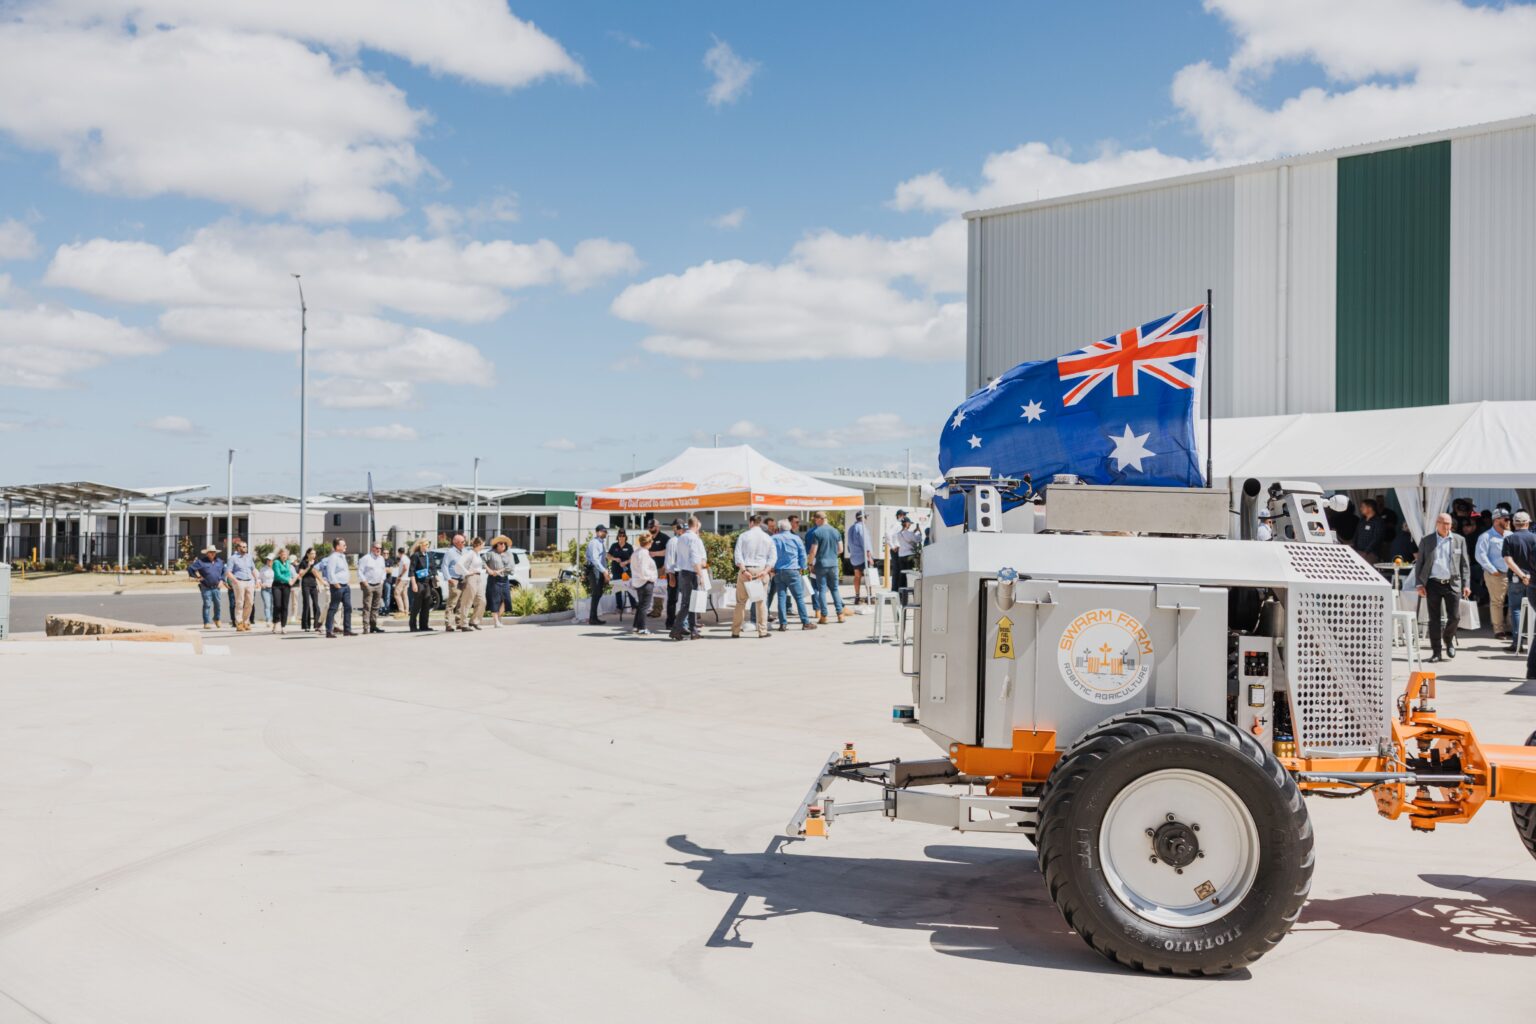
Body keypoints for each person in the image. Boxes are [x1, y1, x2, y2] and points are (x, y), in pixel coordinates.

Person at [1415, 512, 1470, 662]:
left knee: (1455, 617)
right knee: (1434, 620)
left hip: (1452, 583)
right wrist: (1419, 583)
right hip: (1433, 583)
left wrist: (1466, 584)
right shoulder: (1427, 541)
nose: (1447, 527)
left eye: (1449, 524)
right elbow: (1419, 563)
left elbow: (1464, 565)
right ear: (1437, 524)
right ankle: (1436, 652)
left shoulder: (1459, 540)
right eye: (1444, 523)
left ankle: (1448, 638)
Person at [731, 514, 776, 639]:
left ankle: (735, 631)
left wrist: (744, 571)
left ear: (750, 522)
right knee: (761, 603)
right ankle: (762, 631)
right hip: (761, 570)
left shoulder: (743, 536)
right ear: (760, 523)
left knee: (740, 602)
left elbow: (738, 555)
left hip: (746, 570)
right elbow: (773, 557)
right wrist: (766, 571)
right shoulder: (767, 537)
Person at [771, 517, 814, 631]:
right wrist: (804, 571)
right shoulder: (796, 538)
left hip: (778, 571)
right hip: (793, 571)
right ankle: (805, 622)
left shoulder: (773, 538)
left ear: (779, 528)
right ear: (789, 527)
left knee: (781, 597)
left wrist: (771, 568)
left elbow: (769, 554)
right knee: (799, 598)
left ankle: (783, 624)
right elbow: (803, 556)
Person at [669, 516, 708, 641]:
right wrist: (700, 575)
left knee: (691, 603)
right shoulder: (694, 539)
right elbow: (694, 559)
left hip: (682, 572)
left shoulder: (681, 538)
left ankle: (693, 630)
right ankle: (675, 630)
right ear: (696, 525)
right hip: (692, 573)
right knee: (688, 604)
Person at [804, 511, 846, 624]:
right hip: (833, 564)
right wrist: (832, 555)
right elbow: (841, 549)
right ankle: (840, 614)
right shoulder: (836, 531)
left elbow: (813, 551)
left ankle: (824, 616)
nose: (815, 522)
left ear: (819, 519)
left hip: (821, 564)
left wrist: (810, 563)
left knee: (822, 590)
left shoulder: (817, 532)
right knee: (835, 589)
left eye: (815, 520)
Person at [1477, 510, 1512, 641]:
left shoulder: (1510, 535)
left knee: (1514, 601)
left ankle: (1510, 628)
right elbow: (1480, 556)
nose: (1509, 521)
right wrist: (1492, 570)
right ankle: (1499, 630)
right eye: (1506, 519)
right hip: (1496, 574)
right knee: (1497, 602)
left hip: (1511, 573)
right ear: (1496, 520)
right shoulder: (1486, 536)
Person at [1504, 511, 1536, 651]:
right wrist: (1528, 576)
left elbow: (1508, 560)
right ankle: (1532, 642)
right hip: (1533, 580)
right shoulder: (1534, 538)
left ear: (1514, 523)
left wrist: (1522, 575)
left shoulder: (1509, 539)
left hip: (1516, 579)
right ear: (1527, 523)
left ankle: (1517, 643)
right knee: (1533, 610)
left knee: (1516, 609)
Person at [320, 537, 355, 638]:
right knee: (333, 608)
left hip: (345, 585)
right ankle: (329, 631)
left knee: (348, 607)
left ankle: (347, 630)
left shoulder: (342, 556)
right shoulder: (333, 557)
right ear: (337, 546)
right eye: (343, 545)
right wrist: (337, 585)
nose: (345, 546)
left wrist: (346, 583)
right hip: (337, 586)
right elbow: (331, 573)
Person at [628, 527, 659, 634]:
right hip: (645, 582)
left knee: (641, 605)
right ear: (649, 543)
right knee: (644, 607)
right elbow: (644, 571)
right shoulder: (644, 553)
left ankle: (636, 626)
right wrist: (652, 578)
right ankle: (642, 628)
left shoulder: (636, 553)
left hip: (638, 582)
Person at [187, 544, 226, 629]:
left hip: (216, 587)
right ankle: (206, 622)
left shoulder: (220, 561)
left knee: (218, 604)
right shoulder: (201, 562)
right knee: (207, 604)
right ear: (207, 553)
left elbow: (224, 571)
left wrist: (222, 580)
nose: (213, 554)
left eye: (214, 552)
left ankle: (217, 619)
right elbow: (190, 568)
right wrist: (197, 577)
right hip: (206, 587)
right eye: (211, 552)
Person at [225, 538, 257, 632]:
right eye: (243, 547)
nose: (245, 548)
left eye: (246, 546)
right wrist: (235, 581)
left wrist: (257, 580)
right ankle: (239, 623)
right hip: (239, 581)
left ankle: (245, 621)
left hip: (250, 581)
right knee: (239, 603)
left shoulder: (249, 557)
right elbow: (228, 572)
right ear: (238, 548)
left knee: (250, 602)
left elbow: (253, 569)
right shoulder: (232, 558)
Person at [357, 540, 387, 634]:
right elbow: (360, 571)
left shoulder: (381, 558)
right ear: (372, 548)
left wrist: (382, 581)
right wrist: (365, 583)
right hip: (368, 585)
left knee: (376, 607)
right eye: (377, 548)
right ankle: (365, 628)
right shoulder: (366, 558)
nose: (378, 550)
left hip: (378, 585)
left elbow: (383, 571)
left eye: (380, 548)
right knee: (367, 607)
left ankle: (373, 626)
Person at [456, 537, 486, 631]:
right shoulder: (470, 553)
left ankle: (474, 621)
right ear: (478, 544)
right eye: (483, 545)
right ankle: (463, 624)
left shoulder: (478, 554)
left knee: (482, 601)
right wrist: (467, 572)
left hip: (478, 578)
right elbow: (459, 564)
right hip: (471, 578)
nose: (483, 546)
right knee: (467, 601)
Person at [484, 536, 514, 628]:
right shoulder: (490, 553)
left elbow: (510, 567)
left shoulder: (509, 554)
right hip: (493, 580)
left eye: (505, 543)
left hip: (504, 579)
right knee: (495, 600)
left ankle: (498, 618)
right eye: (501, 543)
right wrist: (489, 570)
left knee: (506, 600)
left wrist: (498, 571)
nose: (503, 545)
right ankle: (496, 621)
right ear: (496, 545)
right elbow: (481, 561)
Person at [585, 525, 611, 626]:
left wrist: (606, 571)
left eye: (606, 531)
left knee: (598, 593)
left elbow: (603, 559)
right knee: (596, 594)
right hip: (594, 570)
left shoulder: (601, 543)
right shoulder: (594, 543)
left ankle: (594, 617)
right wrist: (604, 571)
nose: (606, 533)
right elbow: (595, 560)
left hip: (599, 570)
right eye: (604, 531)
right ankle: (592, 618)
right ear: (598, 532)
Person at [442, 532, 468, 632]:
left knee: (461, 603)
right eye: (462, 541)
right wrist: (449, 578)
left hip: (463, 580)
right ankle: (448, 624)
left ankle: (459, 623)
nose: (464, 543)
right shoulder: (450, 552)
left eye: (464, 541)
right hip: (454, 580)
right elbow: (444, 566)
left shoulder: (465, 551)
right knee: (452, 603)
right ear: (456, 542)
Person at [847, 511, 874, 605]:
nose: (866, 519)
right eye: (866, 517)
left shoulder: (851, 528)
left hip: (854, 556)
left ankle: (857, 597)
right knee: (868, 577)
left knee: (857, 576)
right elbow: (865, 542)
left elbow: (848, 544)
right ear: (863, 518)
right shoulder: (862, 527)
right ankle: (869, 597)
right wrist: (869, 556)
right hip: (863, 557)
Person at [663, 520, 686, 630]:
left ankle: (682, 621)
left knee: (684, 599)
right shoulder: (673, 541)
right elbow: (669, 560)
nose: (682, 530)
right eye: (679, 528)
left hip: (683, 572)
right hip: (674, 573)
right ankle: (670, 622)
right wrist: (671, 575)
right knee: (673, 599)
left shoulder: (685, 540)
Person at [408, 539, 434, 632]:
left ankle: (424, 625)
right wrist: (414, 584)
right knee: (416, 605)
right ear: (421, 545)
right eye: (426, 544)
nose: (427, 546)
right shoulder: (415, 556)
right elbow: (411, 571)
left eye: (428, 544)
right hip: (419, 583)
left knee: (426, 605)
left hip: (427, 583)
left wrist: (435, 577)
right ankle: (413, 626)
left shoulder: (429, 555)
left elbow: (432, 568)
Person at [608, 529, 634, 615]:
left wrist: (625, 562)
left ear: (625, 537)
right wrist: (615, 558)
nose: (621, 537)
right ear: (617, 536)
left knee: (630, 588)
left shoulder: (629, 546)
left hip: (627, 571)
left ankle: (634, 607)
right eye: (620, 536)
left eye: (623, 536)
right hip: (616, 571)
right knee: (618, 589)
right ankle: (619, 607)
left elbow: (633, 558)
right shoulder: (614, 545)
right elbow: (608, 555)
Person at [297, 547, 323, 632]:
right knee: (306, 604)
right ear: (308, 554)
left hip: (313, 585)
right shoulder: (303, 562)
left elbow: (317, 574)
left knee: (316, 604)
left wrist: (319, 585)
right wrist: (308, 567)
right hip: (305, 584)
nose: (314, 555)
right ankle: (306, 625)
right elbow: (301, 574)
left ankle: (316, 625)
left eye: (315, 554)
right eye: (312, 553)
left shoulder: (316, 563)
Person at [270, 547, 294, 634]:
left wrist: (290, 580)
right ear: (279, 554)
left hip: (286, 586)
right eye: (282, 554)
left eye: (286, 554)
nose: (284, 556)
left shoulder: (288, 562)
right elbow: (277, 575)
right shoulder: (276, 562)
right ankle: (276, 623)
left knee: (285, 606)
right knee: (277, 605)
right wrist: (288, 580)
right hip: (277, 585)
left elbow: (289, 574)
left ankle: (283, 626)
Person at [391, 547, 410, 620]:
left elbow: (405, 568)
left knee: (396, 593)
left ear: (399, 552)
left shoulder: (403, 559)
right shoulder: (407, 558)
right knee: (404, 594)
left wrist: (400, 576)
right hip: (407, 579)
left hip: (403, 578)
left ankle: (401, 610)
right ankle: (406, 611)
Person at [257, 556, 275, 629]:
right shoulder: (263, 569)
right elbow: (259, 578)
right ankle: (268, 620)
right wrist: (261, 584)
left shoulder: (275, 569)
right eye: (268, 560)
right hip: (265, 589)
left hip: (274, 589)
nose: (269, 562)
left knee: (273, 605)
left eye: (271, 560)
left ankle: (274, 619)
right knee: (267, 605)